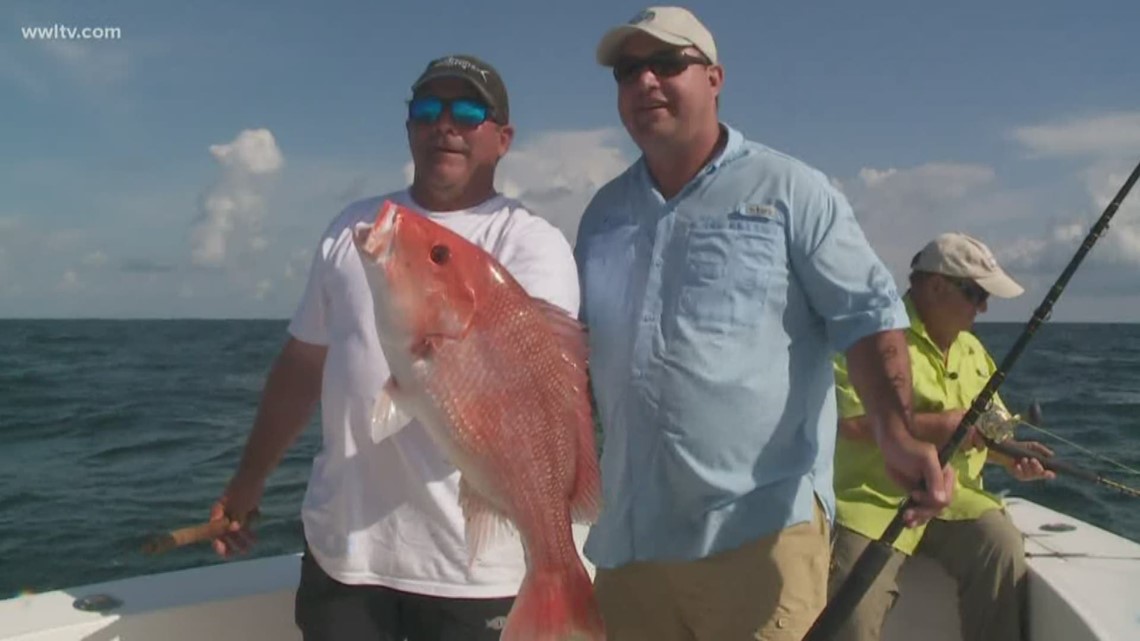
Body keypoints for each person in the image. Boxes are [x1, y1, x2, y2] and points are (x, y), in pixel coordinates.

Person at [573, 6, 955, 640]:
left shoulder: (792, 190)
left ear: (715, 78)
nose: (644, 83)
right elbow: (574, 357)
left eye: (667, 64)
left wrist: (895, 431)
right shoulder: (602, 214)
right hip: (629, 544)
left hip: (758, 534)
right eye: (628, 69)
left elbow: (867, 316)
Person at [207, 54, 582, 641]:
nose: (445, 125)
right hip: (345, 556)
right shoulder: (354, 228)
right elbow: (303, 365)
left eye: (467, 111)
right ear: (410, 127)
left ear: (502, 138)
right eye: (428, 109)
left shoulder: (531, 243)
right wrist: (248, 480)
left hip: (471, 572)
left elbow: (546, 392)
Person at [829, 232, 1055, 641]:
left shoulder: (972, 351)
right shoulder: (869, 337)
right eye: (975, 294)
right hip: (872, 501)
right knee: (852, 608)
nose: (984, 307)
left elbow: (989, 433)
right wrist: (941, 426)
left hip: (956, 499)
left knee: (1001, 546)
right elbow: (847, 423)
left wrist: (1013, 457)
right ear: (936, 286)